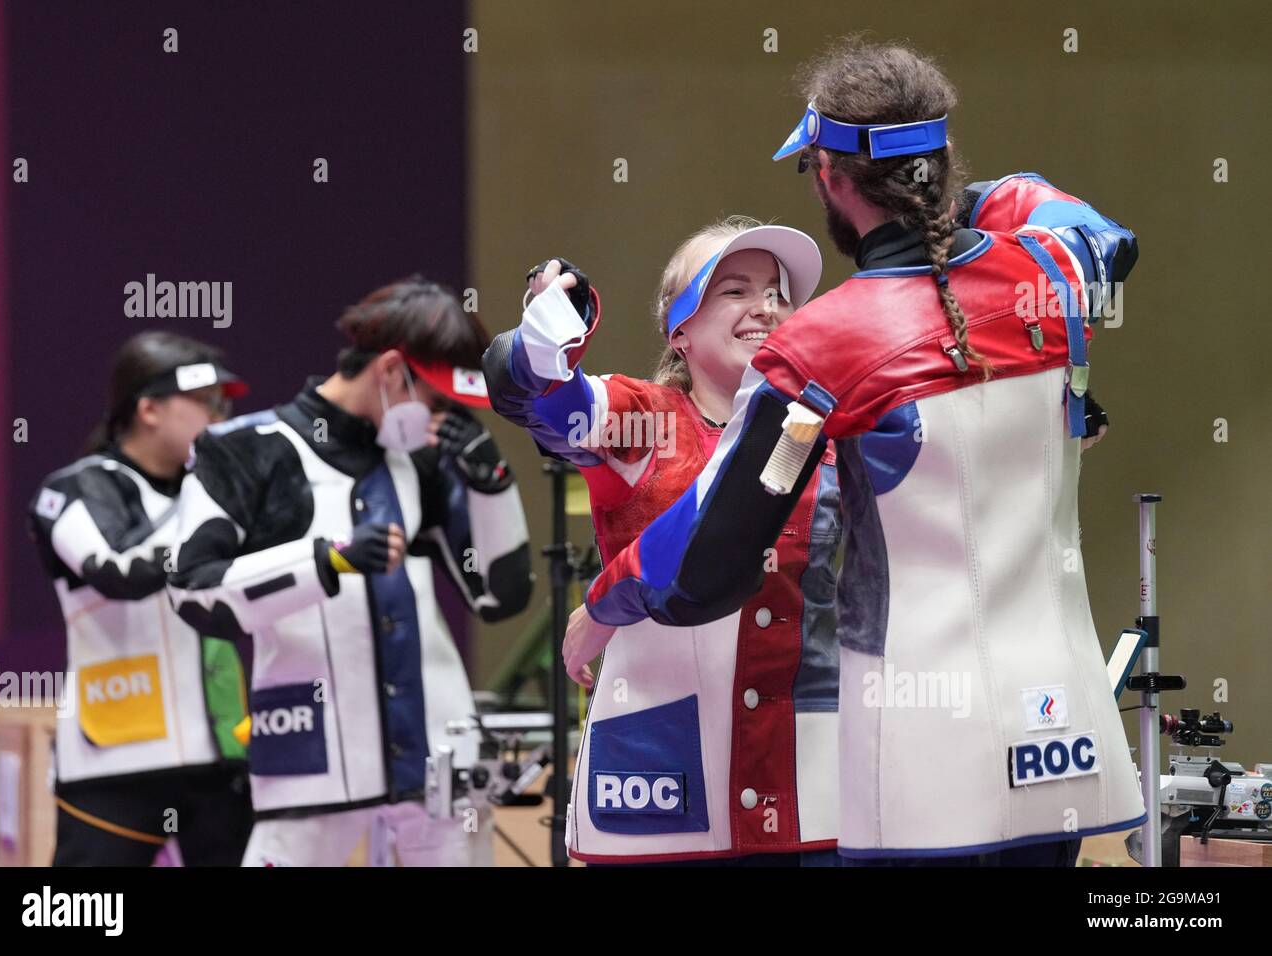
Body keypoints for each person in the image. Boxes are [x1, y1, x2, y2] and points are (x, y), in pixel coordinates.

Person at [570, 38, 1143, 866]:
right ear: (941, 164)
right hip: (1065, 736)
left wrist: (605, 604)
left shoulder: (817, 347)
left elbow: (708, 559)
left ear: (831, 180)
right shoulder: (1053, 275)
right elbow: (1093, 229)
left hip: (920, 767)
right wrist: (953, 200)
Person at [485, 219, 843, 864]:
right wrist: (540, 346)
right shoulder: (639, 418)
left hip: (809, 785)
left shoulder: (828, 432)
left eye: (779, 293)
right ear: (679, 331)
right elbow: (534, 398)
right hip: (659, 779)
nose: (767, 307)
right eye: (734, 291)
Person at [167, 276, 533, 866]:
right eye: (437, 400)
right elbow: (191, 591)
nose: (442, 417)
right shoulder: (244, 449)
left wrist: (493, 485)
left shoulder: (422, 459)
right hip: (308, 753)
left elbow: (500, 597)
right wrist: (325, 561)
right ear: (391, 371)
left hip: (440, 761)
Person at [28, 331, 253, 866]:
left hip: (221, 754)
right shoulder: (73, 488)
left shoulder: (212, 495)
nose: (218, 418)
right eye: (205, 402)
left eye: (224, 404)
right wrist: (211, 490)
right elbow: (120, 570)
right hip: (114, 760)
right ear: (149, 408)